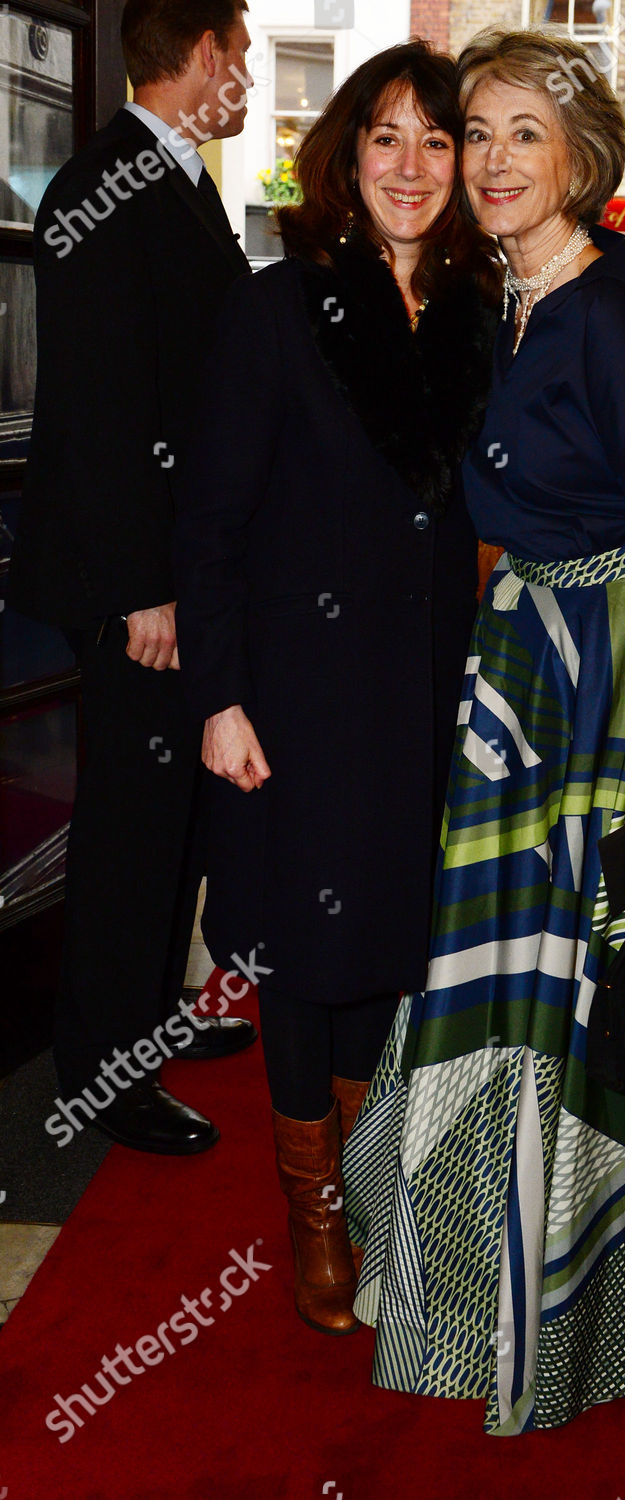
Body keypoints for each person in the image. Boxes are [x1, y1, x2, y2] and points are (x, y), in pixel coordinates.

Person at [345, 27, 625, 1453]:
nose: (493, 161)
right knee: (509, 997)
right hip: (520, 675)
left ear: (581, 158)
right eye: (478, 132)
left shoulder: (610, 320)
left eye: (527, 133)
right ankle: (506, 1295)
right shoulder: (506, 307)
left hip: (621, 689)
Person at [173, 41, 501, 1335]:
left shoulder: (484, 317)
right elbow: (206, 518)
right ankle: (310, 1211)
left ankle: (361, 1185)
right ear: (343, 157)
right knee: (306, 956)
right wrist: (220, 696)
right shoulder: (277, 306)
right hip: (300, 695)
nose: (412, 167)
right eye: (387, 138)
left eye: (437, 142)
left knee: (387, 944)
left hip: (427, 693)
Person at [8, 0, 257, 1156]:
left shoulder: (179, 177)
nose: (247, 70)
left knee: (178, 822)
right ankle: (102, 1069)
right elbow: (104, 414)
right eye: (243, 51)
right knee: (134, 832)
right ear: (203, 54)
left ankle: (148, 1021)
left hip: (173, 572)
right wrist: (143, 590)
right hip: (136, 588)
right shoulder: (103, 189)